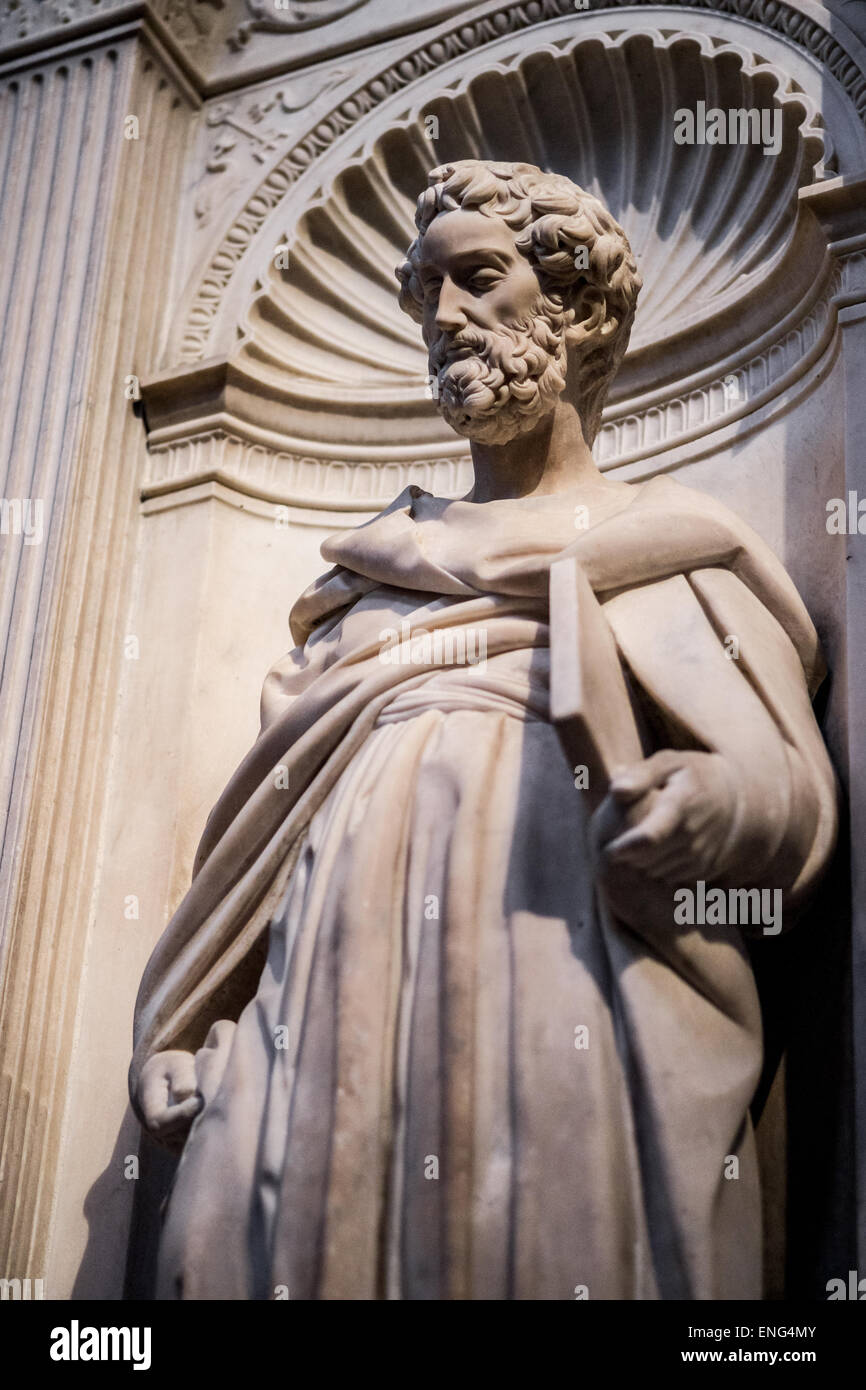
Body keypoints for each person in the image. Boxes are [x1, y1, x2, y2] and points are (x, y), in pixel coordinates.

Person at [130, 160, 837, 1300]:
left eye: (477, 277)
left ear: (569, 303)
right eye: (423, 288)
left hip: (561, 976)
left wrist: (705, 811)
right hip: (327, 1012)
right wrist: (182, 1030)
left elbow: (787, 803)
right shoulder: (361, 584)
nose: (442, 314)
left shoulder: (664, 545)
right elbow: (258, 845)